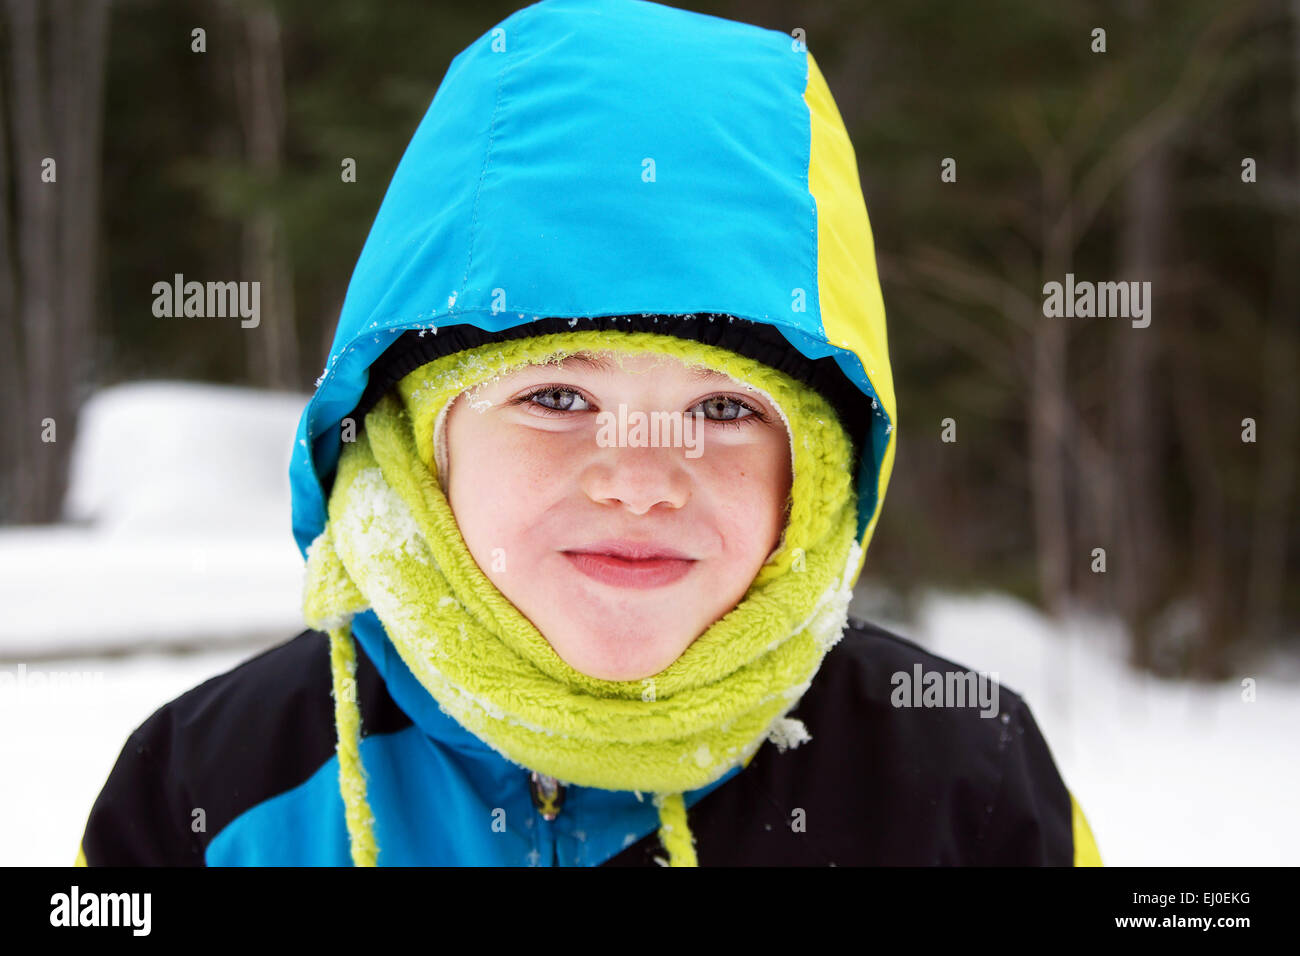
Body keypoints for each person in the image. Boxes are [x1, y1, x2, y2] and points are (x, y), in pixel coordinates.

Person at [75, 0, 1101, 867]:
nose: (642, 482)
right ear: (418, 444)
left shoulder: (960, 778)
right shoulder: (211, 793)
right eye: (558, 398)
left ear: (817, 474)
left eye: (725, 409)